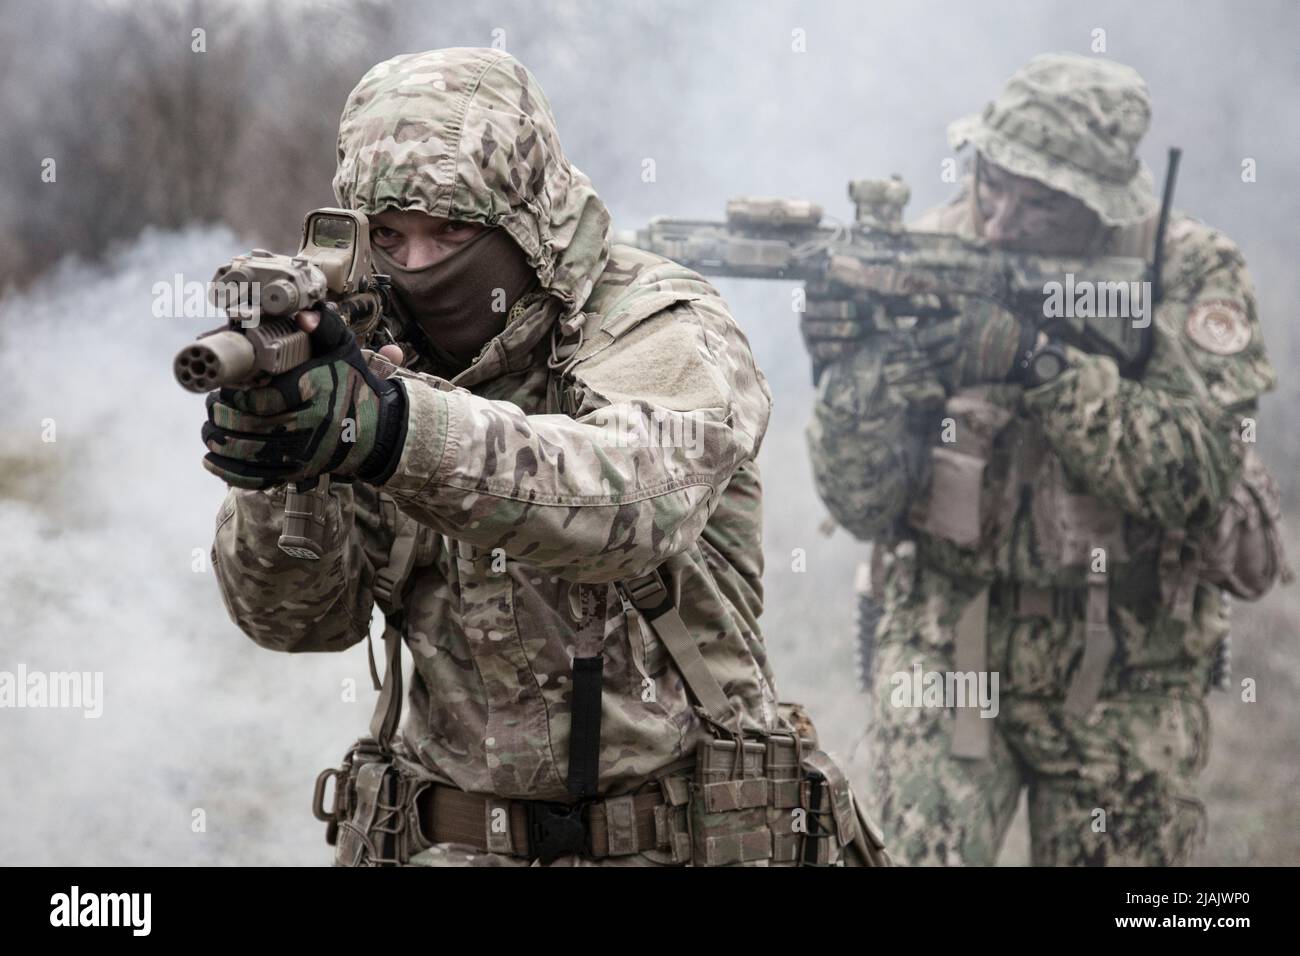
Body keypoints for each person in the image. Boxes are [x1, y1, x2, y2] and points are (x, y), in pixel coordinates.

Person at [203, 47, 885, 867]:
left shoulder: (656, 322)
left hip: (684, 839)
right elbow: (300, 622)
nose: (417, 264)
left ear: (526, 219)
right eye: (389, 235)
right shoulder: (376, 352)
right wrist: (286, 468)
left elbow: (629, 505)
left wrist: (397, 433)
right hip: (445, 839)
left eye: (450, 228)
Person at [802, 53, 1287, 865]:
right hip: (947, 641)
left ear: (1101, 206)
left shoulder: (1189, 272)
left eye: (1039, 207)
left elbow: (1193, 480)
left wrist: (1041, 364)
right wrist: (860, 377)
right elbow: (859, 500)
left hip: (1130, 666)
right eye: (990, 185)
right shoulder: (927, 256)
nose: (996, 224)